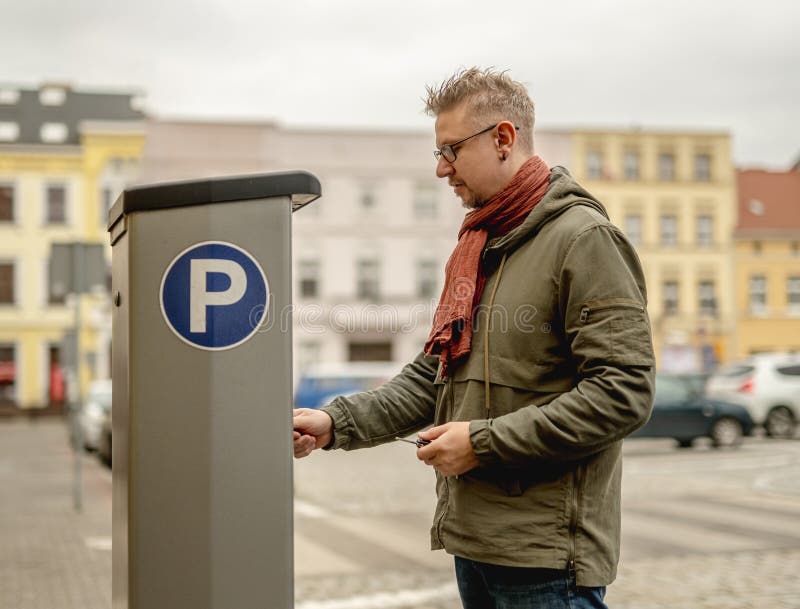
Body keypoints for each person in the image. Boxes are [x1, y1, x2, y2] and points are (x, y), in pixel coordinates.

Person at [293, 67, 655, 609]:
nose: (441, 169)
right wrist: (333, 423)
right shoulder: (479, 245)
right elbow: (430, 378)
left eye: (451, 150)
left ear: (503, 140)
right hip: (476, 546)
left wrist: (482, 442)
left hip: (546, 561)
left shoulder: (584, 240)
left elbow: (623, 393)